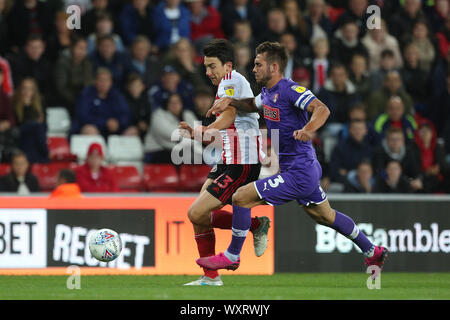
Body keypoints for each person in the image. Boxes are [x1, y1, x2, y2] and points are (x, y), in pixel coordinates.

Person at [203, 41, 388, 277]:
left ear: (274, 67)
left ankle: (232, 256)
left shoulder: (290, 90)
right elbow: (251, 105)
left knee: (241, 197)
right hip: (299, 170)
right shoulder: (268, 93)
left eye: (258, 64)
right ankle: (372, 250)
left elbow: (322, 109)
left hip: (298, 172)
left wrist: (309, 129)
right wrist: (231, 101)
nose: (254, 69)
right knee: (325, 216)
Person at [179, 39, 271, 286]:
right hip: (228, 158)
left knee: (196, 212)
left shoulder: (230, 81)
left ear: (227, 65)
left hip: (243, 162)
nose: (208, 72)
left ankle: (255, 225)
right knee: (199, 216)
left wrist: (204, 131)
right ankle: (210, 277)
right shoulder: (226, 83)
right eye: (205, 67)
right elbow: (230, 119)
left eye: (212, 66)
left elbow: (230, 113)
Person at [73, 68, 131, 137]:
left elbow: (126, 114)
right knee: (89, 130)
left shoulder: (117, 95)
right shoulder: (86, 94)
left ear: (111, 82)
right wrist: (105, 123)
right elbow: (83, 116)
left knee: (132, 131)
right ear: (95, 81)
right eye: (101, 80)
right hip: (94, 127)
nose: (104, 83)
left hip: (114, 129)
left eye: (106, 80)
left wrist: (118, 123)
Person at [53, 35, 93, 117]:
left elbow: (88, 82)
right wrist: (77, 100)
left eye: (85, 49)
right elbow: (61, 88)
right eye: (80, 48)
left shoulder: (87, 63)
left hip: (83, 99)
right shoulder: (62, 63)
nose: (82, 52)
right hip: (67, 101)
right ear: (72, 48)